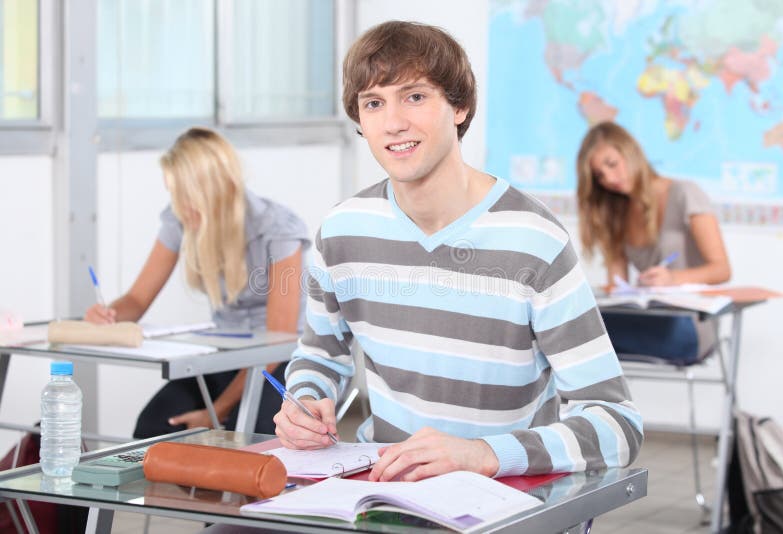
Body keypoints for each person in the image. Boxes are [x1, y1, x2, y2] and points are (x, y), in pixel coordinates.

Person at [274, 21, 642, 482]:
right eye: (373, 103)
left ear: (460, 107)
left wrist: (483, 454)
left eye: (414, 96)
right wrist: (305, 401)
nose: (393, 123)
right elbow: (319, 355)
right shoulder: (342, 231)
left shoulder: (534, 239)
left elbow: (617, 424)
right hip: (381, 488)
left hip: (503, 496)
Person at [84, 127, 309, 438]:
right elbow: (137, 299)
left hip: (282, 362)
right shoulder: (180, 217)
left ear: (212, 190)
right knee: (152, 427)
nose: (180, 206)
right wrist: (108, 315)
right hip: (227, 354)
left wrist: (216, 412)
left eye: (186, 196)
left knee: (245, 433)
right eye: (174, 195)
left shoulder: (279, 230)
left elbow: (277, 342)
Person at [576, 121, 731, 362]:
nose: (610, 178)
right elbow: (617, 287)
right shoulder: (617, 212)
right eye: (600, 176)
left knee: (577, 337)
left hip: (690, 323)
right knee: (574, 327)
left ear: (630, 152)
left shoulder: (685, 193)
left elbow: (722, 270)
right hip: (648, 318)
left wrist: (673, 279)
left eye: (612, 164)